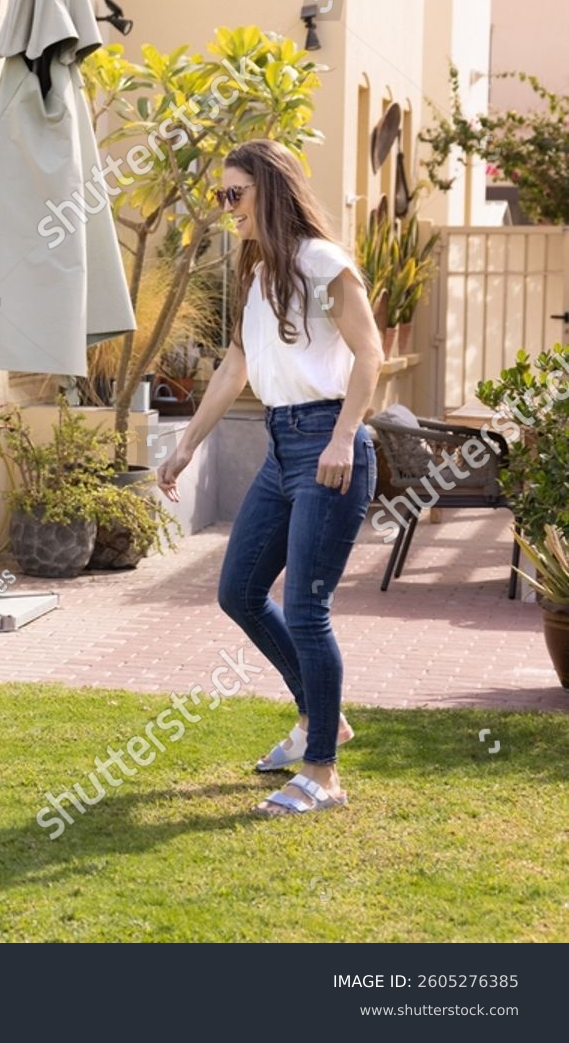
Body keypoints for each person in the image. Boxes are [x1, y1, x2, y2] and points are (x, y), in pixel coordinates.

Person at [156, 139, 383, 816]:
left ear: (271, 191)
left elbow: (371, 354)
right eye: (220, 197)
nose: (226, 208)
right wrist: (186, 446)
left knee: (309, 612)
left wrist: (343, 437)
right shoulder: (257, 276)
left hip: (327, 444)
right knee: (239, 591)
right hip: (281, 445)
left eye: (235, 195)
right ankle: (322, 717)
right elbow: (235, 369)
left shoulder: (322, 262)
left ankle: (323, 772)